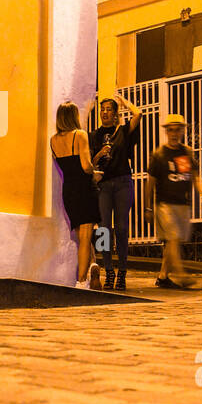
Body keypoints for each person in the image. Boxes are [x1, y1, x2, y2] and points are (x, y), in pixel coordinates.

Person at [146, 114, 202, 288]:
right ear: (166, 131)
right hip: (164, 204)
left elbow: (195, 178)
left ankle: (162, 277)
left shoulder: (186, 152)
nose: (174, 133)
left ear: (182, 131)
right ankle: (182, 275)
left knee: (171, 241)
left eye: (177, 129)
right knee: (173, 238)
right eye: (171, 130)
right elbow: (150, 183)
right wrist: (148, 208)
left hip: (182, 204)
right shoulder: (159, 155)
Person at [90, 91, 142, 291]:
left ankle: (122, 272)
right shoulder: (94, 135)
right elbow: (90, 162)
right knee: (104, 229)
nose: (104, 113)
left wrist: (123, 102)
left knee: (121, 228)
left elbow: (138, 114)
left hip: (122, 183)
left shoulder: (122, 131)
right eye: (102, 109)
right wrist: (99, 154)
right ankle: (108, 270)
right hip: (103, 184)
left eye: (109, 109)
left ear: (115, 113)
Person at [51, 101, 102, 290]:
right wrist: (95, 172)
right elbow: (86, 166)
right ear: (74, 117)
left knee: (82, 238)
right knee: (86, 237)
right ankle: (81, 282)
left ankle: (93, 264)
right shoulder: (80, 135)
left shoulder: (53, 140)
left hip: (69, 191)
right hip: (84, 189)